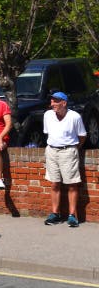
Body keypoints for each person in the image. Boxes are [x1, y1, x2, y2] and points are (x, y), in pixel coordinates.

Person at [42, 92, 86, 227]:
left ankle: (72, 215)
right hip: (51, 150)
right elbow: (48, 133)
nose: (52, 104)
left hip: (68, 150)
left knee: (72, 184)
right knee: (54, 183)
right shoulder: (47, 115)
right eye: (51, 101)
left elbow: (82, 136)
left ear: (64, 103)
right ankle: (55, 214)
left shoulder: (74, 117)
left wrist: (73, 149)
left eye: (55, 101)